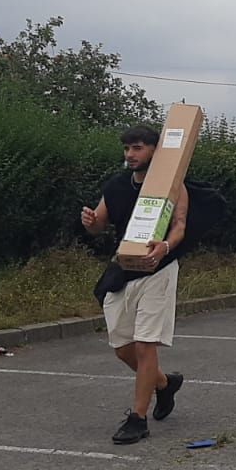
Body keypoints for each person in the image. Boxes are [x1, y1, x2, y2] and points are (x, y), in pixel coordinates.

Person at [81, 125, 191, 445]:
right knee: (123, 350)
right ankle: (163, 385)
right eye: (127, 149)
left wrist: (165, 247)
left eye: (138, 148)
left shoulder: (172, 185)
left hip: (159, 269)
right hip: (123, 270)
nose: (130, 155)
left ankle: (137, 419)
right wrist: (91, 222)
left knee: (145, 345)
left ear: (155, 150)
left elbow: (180, 225)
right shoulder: (116, 185)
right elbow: (100, 224)